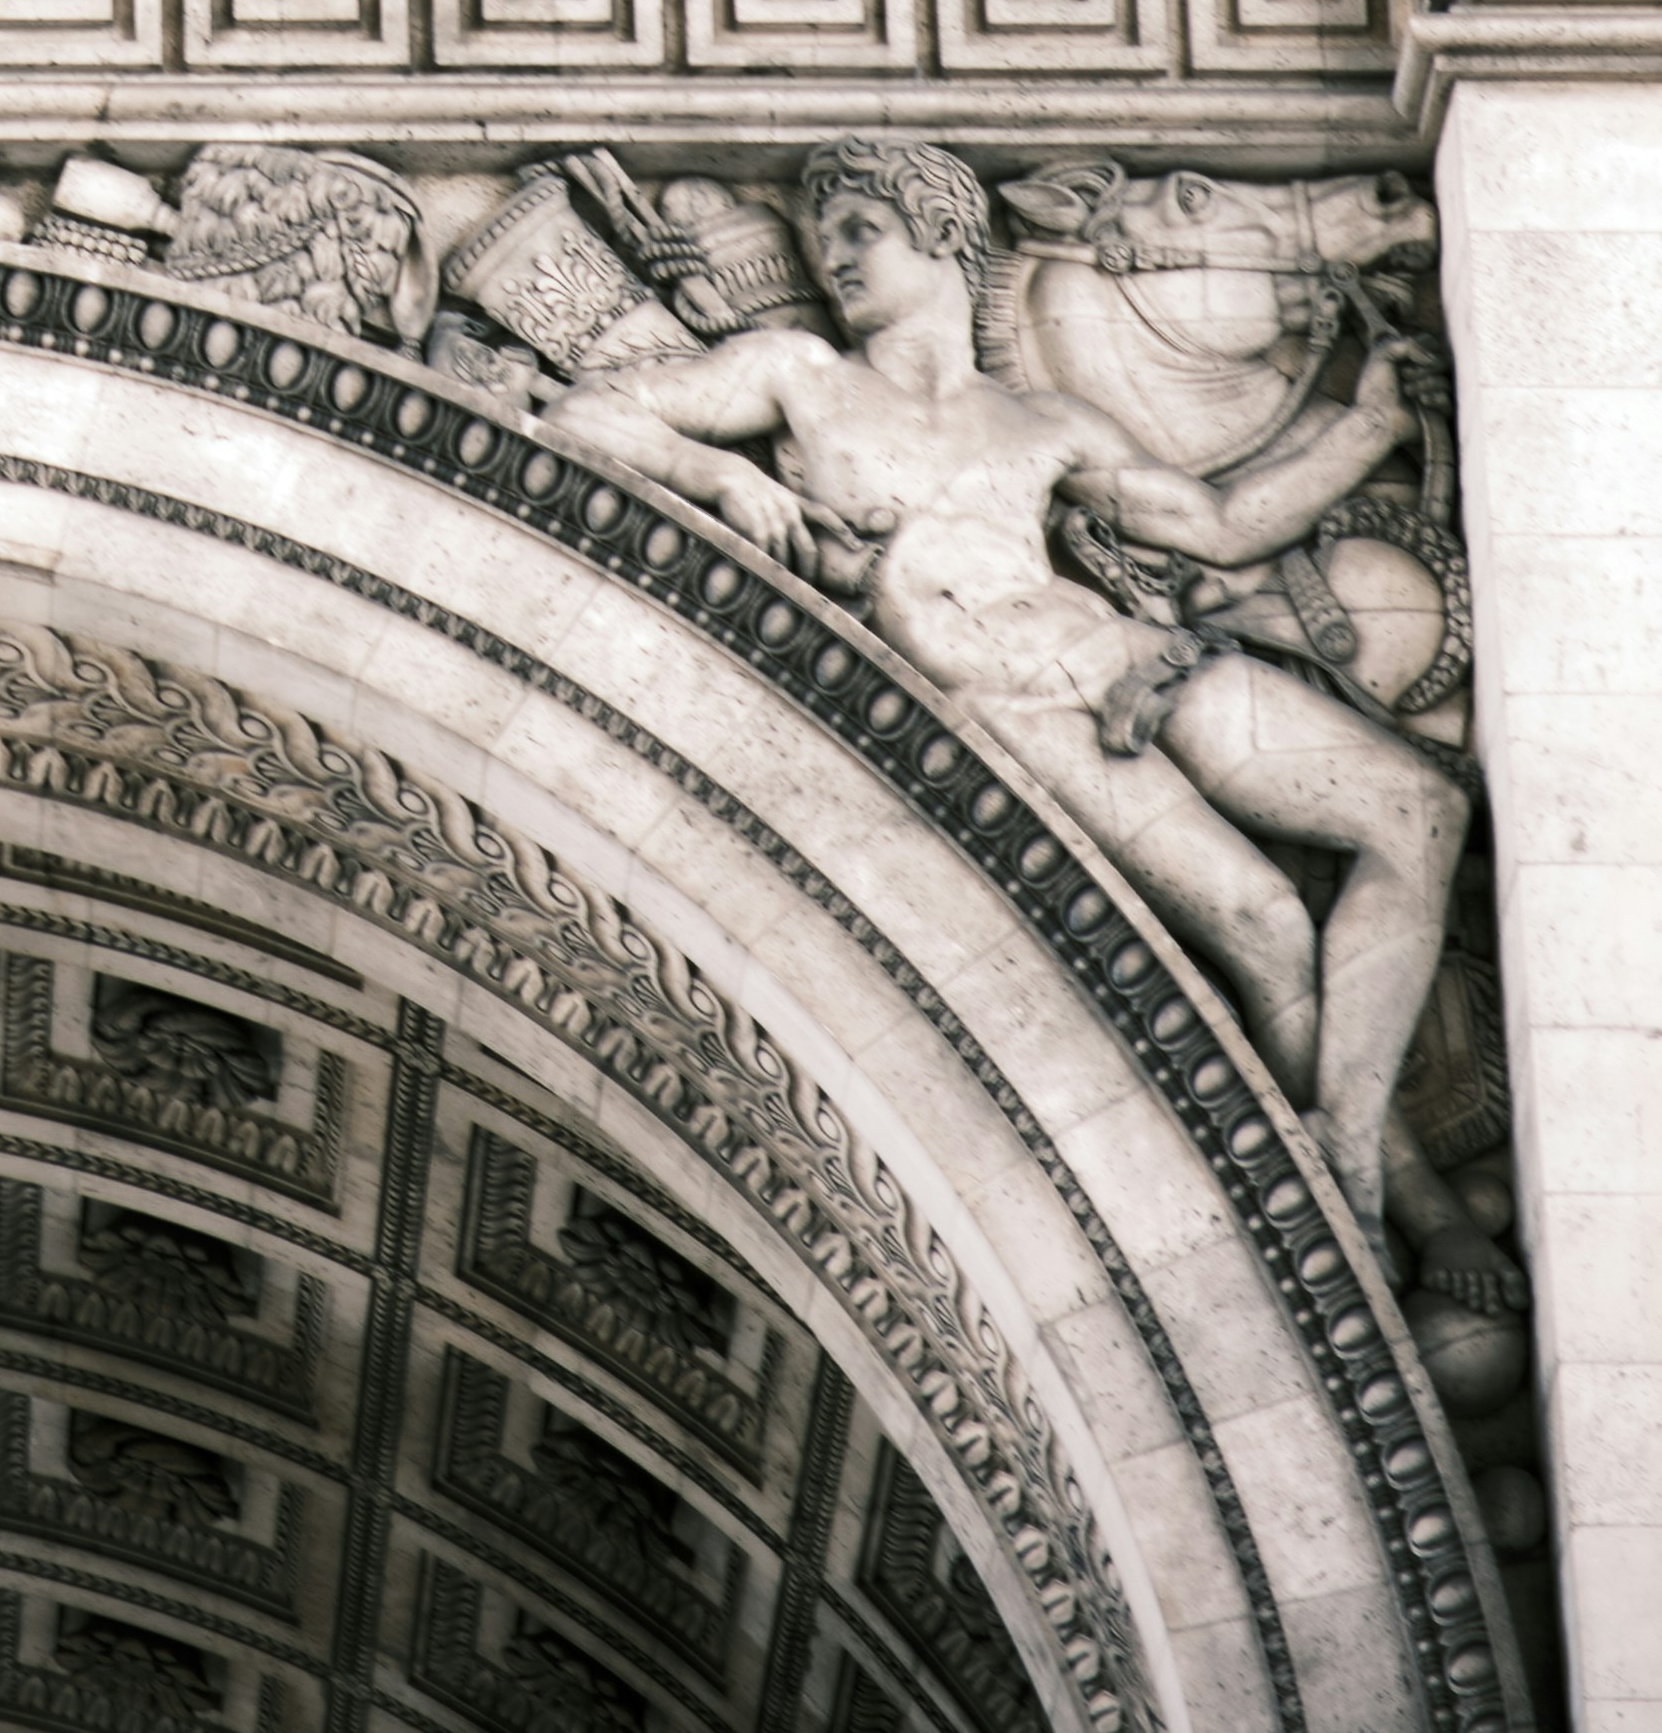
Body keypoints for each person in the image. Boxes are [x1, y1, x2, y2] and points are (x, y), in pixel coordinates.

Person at [551, 135, 1468, 1238]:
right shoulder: (799, 374)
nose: (831, 256)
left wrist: (1371, 420)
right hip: (991, 699)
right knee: (1261, 918)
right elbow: (584, 414)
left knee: (1419, 808)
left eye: (858, 229)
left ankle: (1353, 1146)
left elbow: (1223, 525)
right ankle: (1373, 1203)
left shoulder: (1043, 422)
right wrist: (724, 475)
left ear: (942, 232)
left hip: (1117, 655)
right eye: (816, 235)